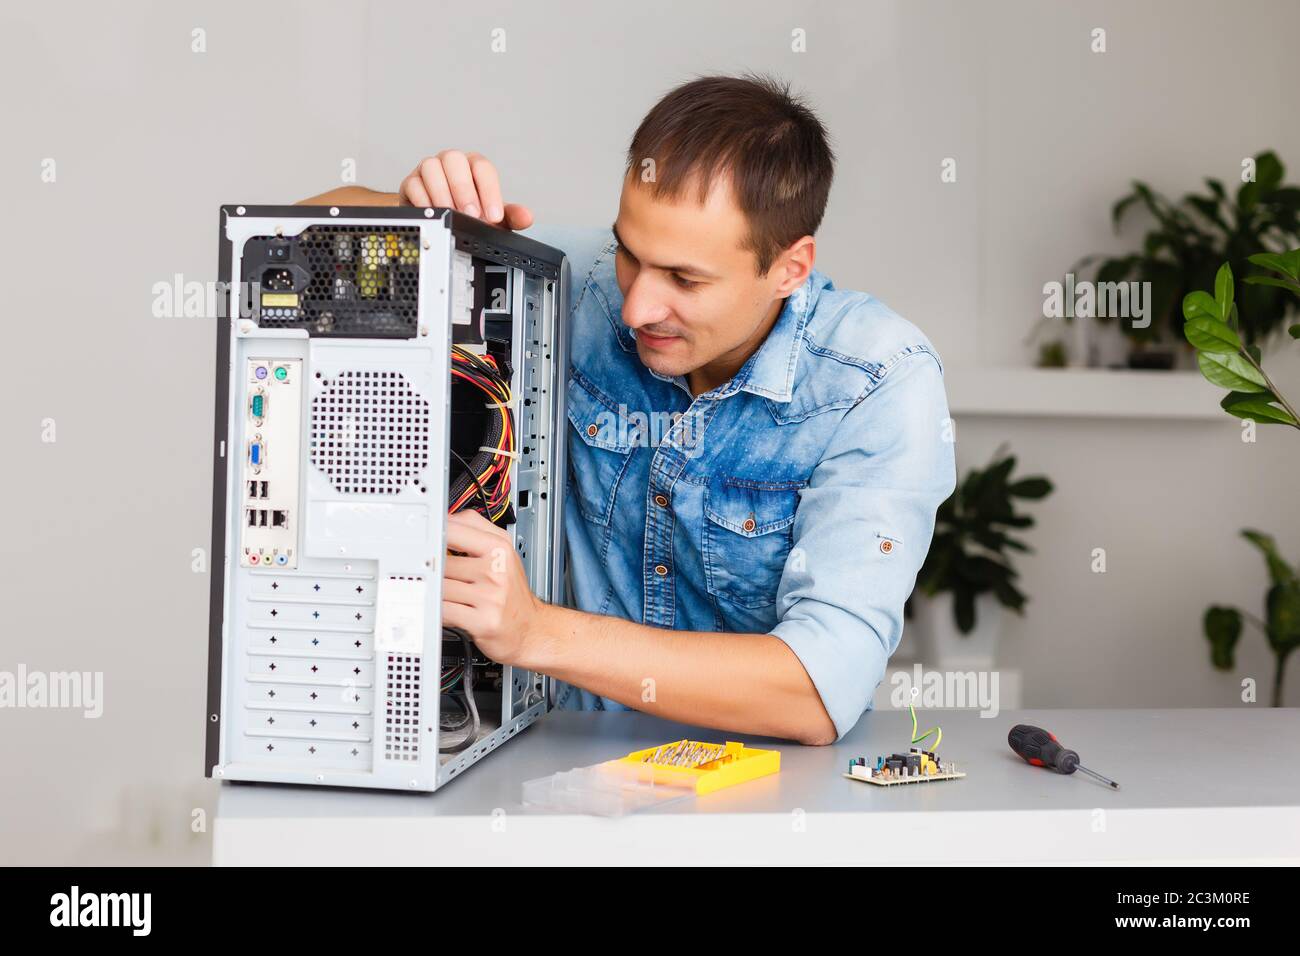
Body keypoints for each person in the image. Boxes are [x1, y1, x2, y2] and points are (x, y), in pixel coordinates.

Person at [302, 73, 955, 744]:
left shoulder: (878, 381)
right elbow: (292, 245)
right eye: (629, 254)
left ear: (790, 268)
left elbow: (818, 690)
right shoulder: (578, 284)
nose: (639, 306)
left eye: (684, 279)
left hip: (770, 796)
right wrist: (415, 208)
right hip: (560, 772)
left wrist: (536, 632)